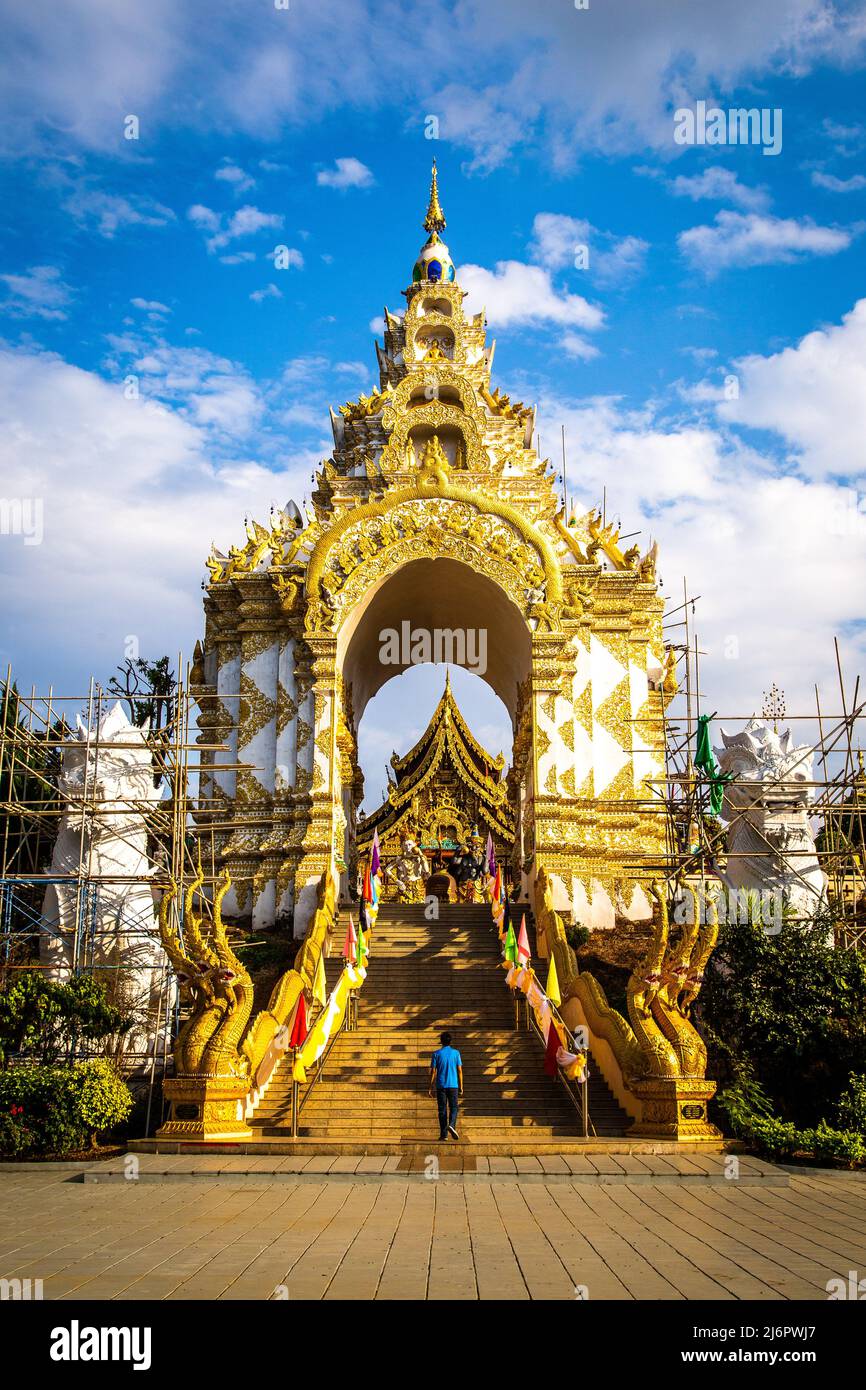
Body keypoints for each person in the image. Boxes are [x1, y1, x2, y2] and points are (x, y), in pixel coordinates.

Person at [428, 1030, 463, 1140]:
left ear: (441, 1041)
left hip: (441, 1086)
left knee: (442, 1110)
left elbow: (433, 1071)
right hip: (453, 1085)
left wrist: (430, 1086)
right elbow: (460, 1070)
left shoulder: (436, 1054)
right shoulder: (456, 1053)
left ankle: (444, 1135)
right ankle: (452, 1125)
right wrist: (461, 1086)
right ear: (450, 1041)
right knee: (454, 1108)